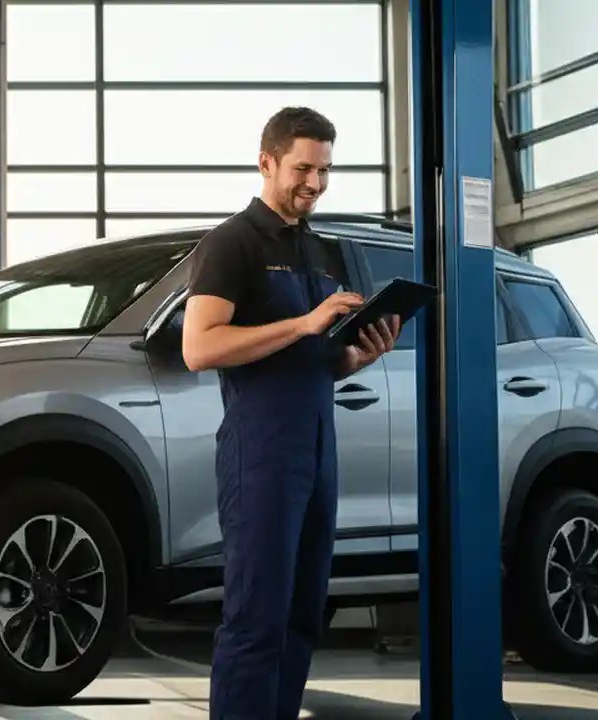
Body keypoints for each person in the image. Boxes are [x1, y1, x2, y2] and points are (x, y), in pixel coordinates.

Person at [181, 106, 401, 719]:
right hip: (261, 449)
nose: (315, 182)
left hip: (318, 446)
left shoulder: (321, 252)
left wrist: (357, 356)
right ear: (266, 162)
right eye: (303, 168)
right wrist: (305, 323)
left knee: (303, 615)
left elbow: (317, 357)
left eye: (325, 170)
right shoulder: (232, 244)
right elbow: (199, 347)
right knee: (257, 617)